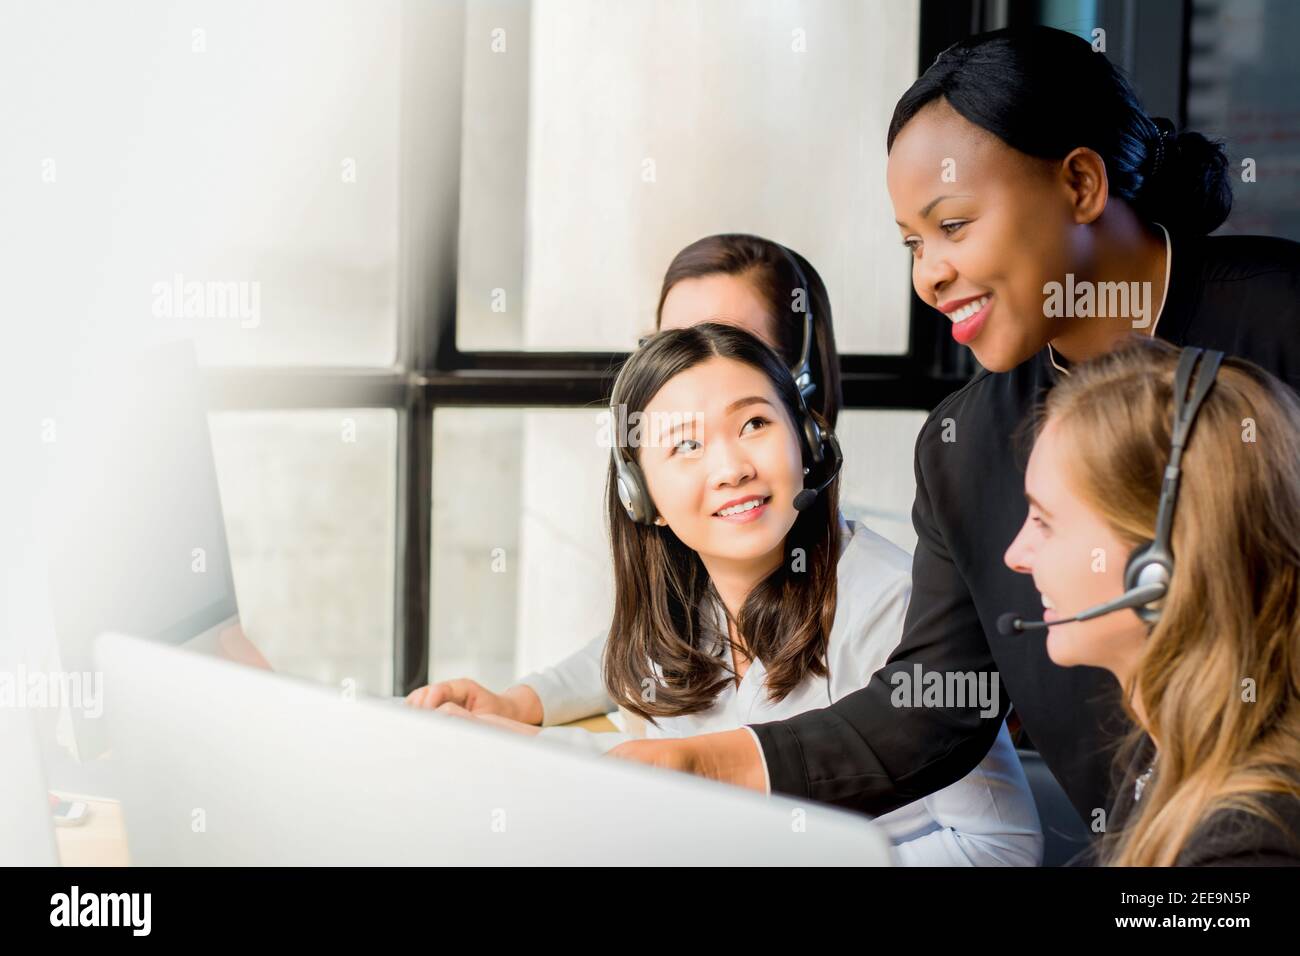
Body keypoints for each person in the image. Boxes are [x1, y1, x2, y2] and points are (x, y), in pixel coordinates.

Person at [602, 26, 1300, 841]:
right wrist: (705, 763)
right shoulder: (964, 444)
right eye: (911, 242)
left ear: (1078, 183)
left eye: (954, 225)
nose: (927, 274)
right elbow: (934, 706)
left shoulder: (1281, 321)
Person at [425, 322, 1042, 865]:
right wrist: (507, 718)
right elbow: (666, 776)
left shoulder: (890, 605)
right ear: (642, 500)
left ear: (807, 441)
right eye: (686, 445)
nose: (732, 468)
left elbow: (1002, 847)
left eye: (753, 423)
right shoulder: (681, 614)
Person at [407, 233, 841, 726]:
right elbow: (641, 650)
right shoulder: (699, 567)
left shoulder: (878, 595)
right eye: (672, 344)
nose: (699, 366)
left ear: (797, 393)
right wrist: (519, 704)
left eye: (736, 345)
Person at [1004, 339, 1300, 865]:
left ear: (1161, 568)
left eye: (1045, 522)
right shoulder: (1170, 744)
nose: (1015, 555)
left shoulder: (1253, 845)